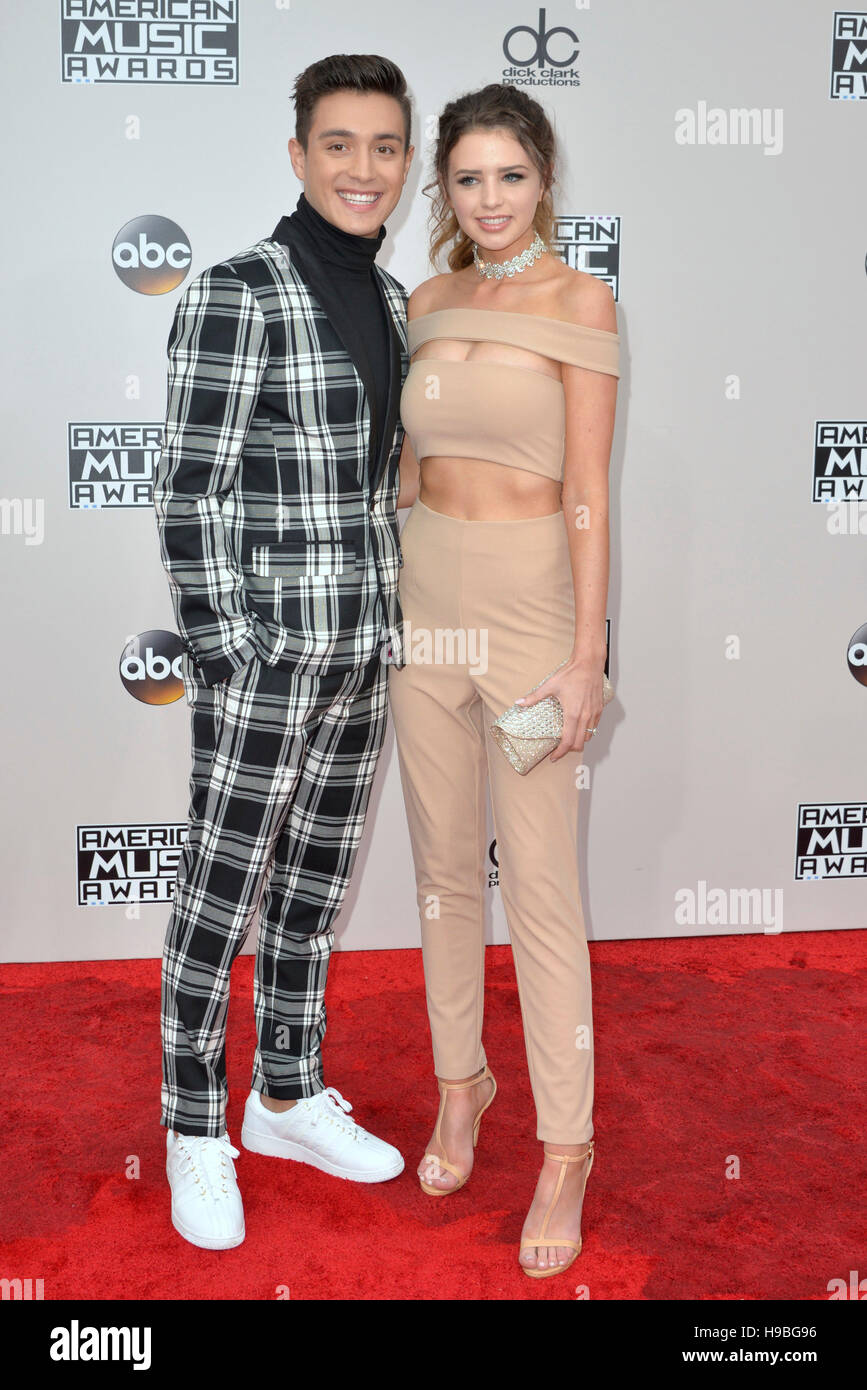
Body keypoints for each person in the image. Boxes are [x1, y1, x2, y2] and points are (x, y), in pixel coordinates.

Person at [152, 54, 414, 1250]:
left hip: (365, 647)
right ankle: (195, 1127)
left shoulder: (397, 301)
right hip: (267, 656)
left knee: (311, 893)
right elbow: (187, 493)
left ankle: (288, 1094)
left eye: (386, 147)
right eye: (341, 144)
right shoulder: (236, 290)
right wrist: (231, 648)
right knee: (219, 901)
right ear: (299, 154)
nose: (365, 168)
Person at [388, 82, 620, 1278]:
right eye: (467, 178)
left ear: (544, 178)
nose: (489, 199)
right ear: (446, 187)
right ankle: (460, 1086)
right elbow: (409, 474)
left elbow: (589, 491)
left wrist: (588, 655)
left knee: (539, 884)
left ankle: (567, 1145)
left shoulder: (584, 301)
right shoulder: (423, 301)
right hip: (425, 607)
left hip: (533, 609)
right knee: (439, 871)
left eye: (510, 177)